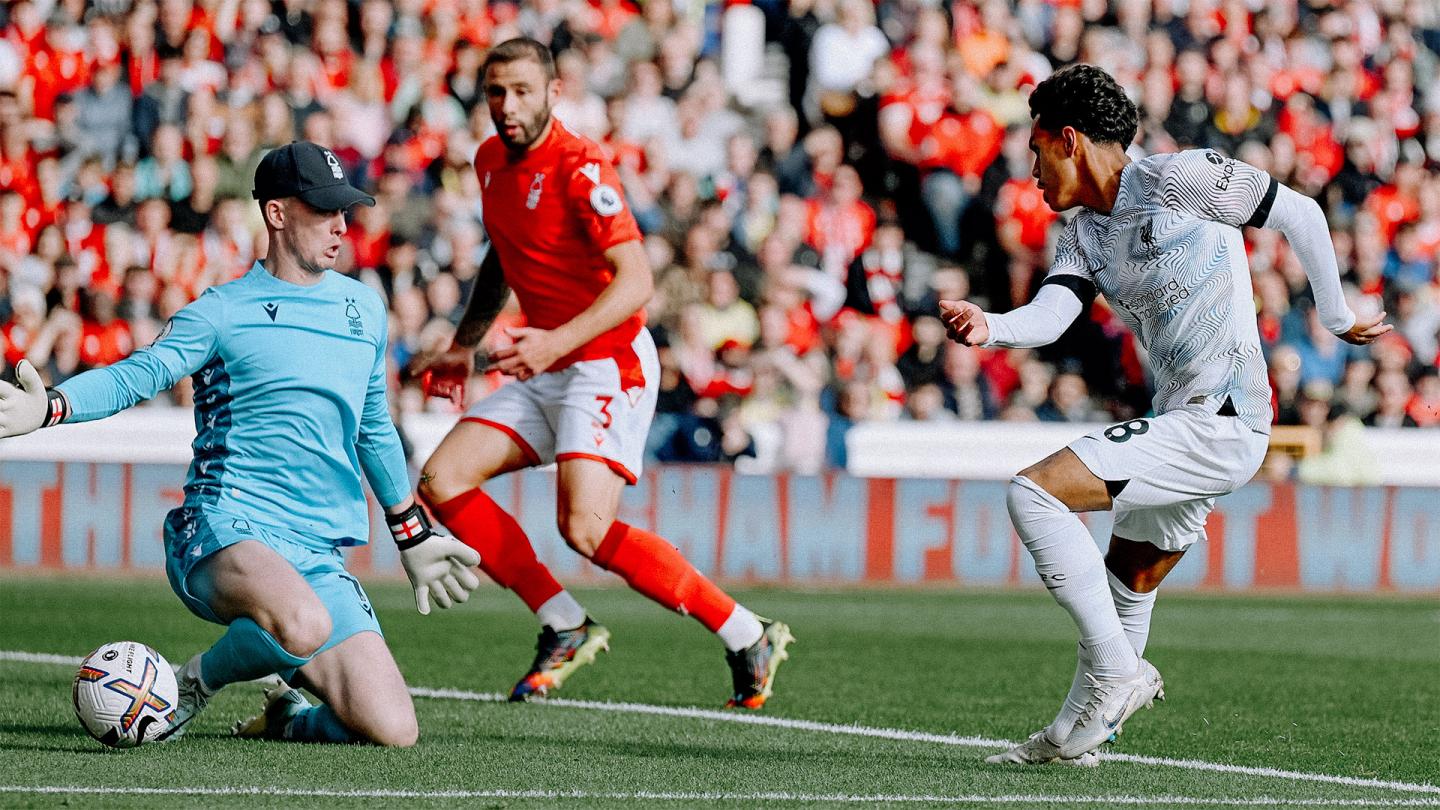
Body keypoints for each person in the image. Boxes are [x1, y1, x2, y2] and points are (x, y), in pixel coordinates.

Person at [939, 65, 1391, 766]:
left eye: (1034, 151)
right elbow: (1053, 315)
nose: (1028, 169)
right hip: (1183, 419)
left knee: (1032, 492)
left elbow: (1300, 211)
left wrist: (1337, 315)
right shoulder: (1084, 233)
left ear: (1069, 141)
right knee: (1129, 585)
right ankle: (1073, 740)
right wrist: (990, 326)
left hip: (1225, 419)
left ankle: (1121, 676)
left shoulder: (1177, 178)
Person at [0, 141, 481, 745]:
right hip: (224, 528)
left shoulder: (364, 307)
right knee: (303, 621)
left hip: (317, 552)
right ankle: (196, 683)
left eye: (345, 211)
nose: (341, 225)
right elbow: (138, 374)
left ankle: (285, 719)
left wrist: (410, 530)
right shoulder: (223, 310)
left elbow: (373, 424)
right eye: (324, 210)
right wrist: (51, 406)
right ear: (277, 215)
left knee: (393, 728)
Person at [408, 38, 794, 708]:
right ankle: (565, 624)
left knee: (583, 529)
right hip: (547, 359)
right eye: (496, 91)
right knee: (442, 481)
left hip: (604, 362)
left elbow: (637, 281)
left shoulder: (582, 167)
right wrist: (462, 344)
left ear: (554, 93)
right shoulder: (490, 161)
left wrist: (554, 343)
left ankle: (745, 632)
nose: (507, 105)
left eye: (523, 90)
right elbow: (503, 258)